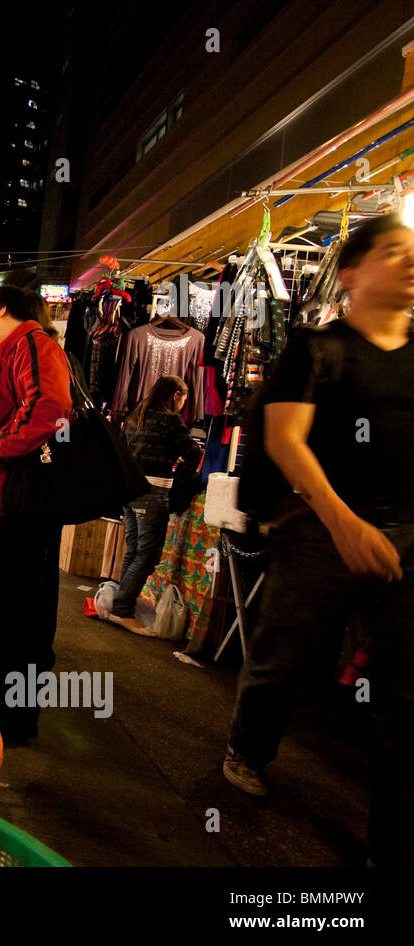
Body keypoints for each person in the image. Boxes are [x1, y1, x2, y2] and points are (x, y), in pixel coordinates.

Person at [221, 214, 414, 865]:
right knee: (286, 651)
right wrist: (343, 522)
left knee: (404, 688)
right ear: (354, 272)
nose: (411, 262)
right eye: (395, 252)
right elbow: (284, 441)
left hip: (403, 534)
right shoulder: (317, 347)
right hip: (319, 529)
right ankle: (249, 746)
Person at [0, 286, 74, 741]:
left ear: (0, 310)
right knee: (7, 602)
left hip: (23, 505)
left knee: (17, 607)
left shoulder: (31, 343)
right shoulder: (14, 351)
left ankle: (8, 714)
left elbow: (50, 407)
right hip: (10, 503)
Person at [109, 375, 202, 635]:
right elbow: (193, 452)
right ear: (175, 395)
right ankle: (122, 610)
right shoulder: (171, 420)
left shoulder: (136, 416)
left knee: (134, 549)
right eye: (184, 398)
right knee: (147, 555)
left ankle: (120, 605)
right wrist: (182, 468)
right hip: (154, 491)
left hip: (131, 489)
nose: (184, 404)